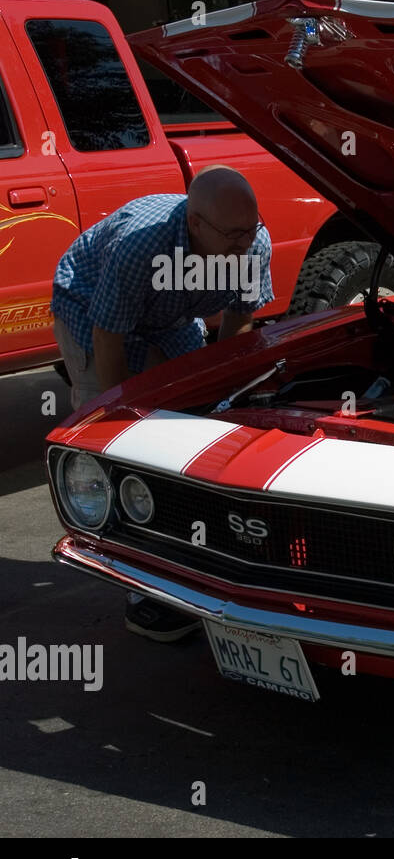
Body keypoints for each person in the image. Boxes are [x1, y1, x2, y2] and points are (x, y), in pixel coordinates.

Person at [50, 165, 273, 640]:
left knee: (200, 419)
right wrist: (125, 422)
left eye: (249, 231)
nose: (243, 245)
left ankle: (202, 548)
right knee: (110, 438)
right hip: (92, 308)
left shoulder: (253, 242)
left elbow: (238, 324)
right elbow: (109, 335)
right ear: (195, 224)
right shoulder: (140, 247)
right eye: (232, 235)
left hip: (170, 315)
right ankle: (138, 585)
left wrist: (220, 397)